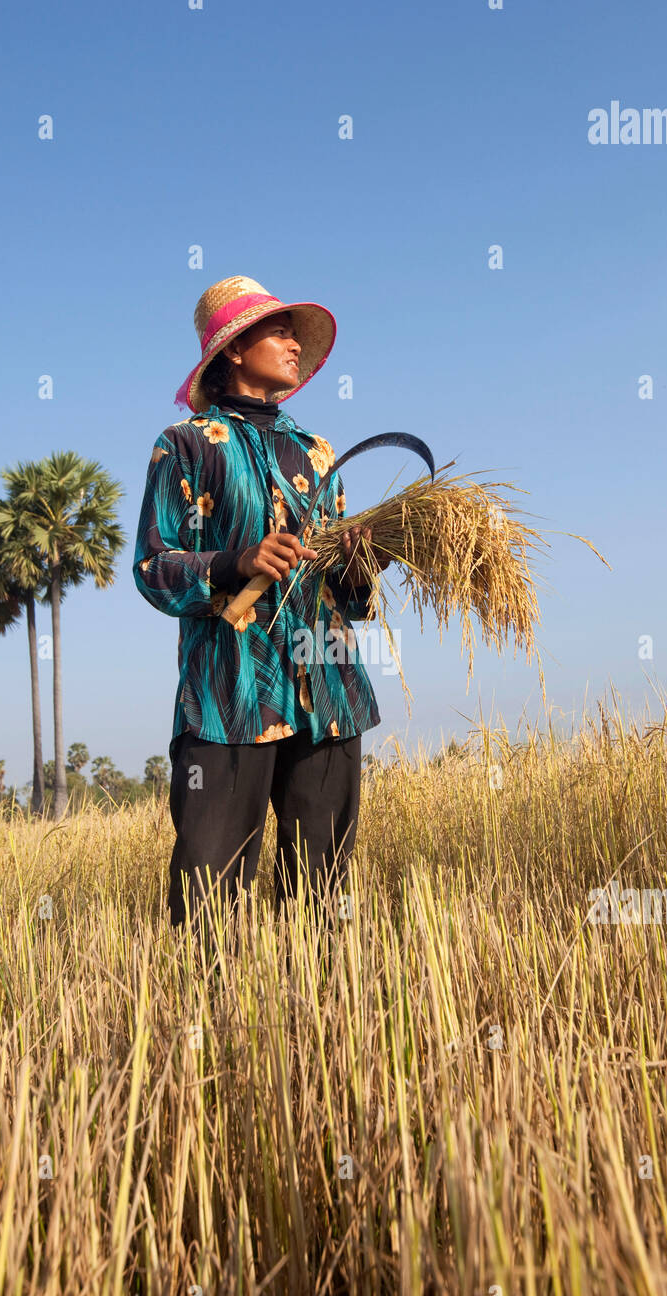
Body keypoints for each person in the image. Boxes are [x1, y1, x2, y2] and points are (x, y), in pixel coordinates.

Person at [133, 274, 390, 937]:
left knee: (325, 893)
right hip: (230, 696)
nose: (292, 344)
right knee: (210, 896)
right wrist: (233, 562)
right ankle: (212, 1030)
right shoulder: (187, 445)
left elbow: (345, 599)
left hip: (327, 692)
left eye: (292, 334)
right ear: (233, 351)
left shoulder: (316, 453)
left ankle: (320, 1022)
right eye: (277, 331)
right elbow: (153, 567)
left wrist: (362, 565)